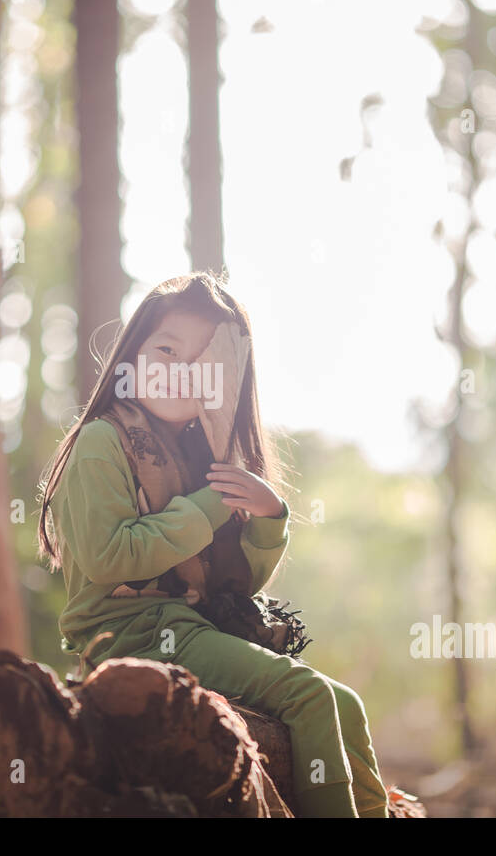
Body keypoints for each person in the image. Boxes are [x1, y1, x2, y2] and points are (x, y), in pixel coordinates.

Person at [37, 272, 389, 817]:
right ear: (132, 356)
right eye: (166, 350)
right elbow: (110, 557)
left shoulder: (202, 455)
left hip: (192, 631)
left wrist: (270, 520)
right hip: (133, 636)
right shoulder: (101, 441)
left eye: (202, 362)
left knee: (345, 702)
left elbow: (234, 585)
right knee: (310, 697)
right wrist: (207, 505)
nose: (180, 372)